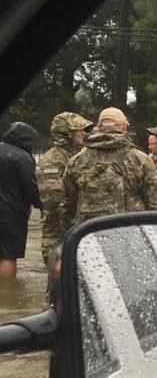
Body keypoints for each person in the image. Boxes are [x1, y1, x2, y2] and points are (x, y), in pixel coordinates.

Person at [62, 107, 157, 226]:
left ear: (99, 128)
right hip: (131, 234)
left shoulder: (77, 161)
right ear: (124, 127)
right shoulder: (141, 159)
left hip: (90, 235)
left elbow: (67, 205)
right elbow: (154, 204)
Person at [35, 112, 93, 268]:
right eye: (79, 130)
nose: (83, 133)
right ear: (65, 133)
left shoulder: (83, 155)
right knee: (60, 285)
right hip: (58, 234)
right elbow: (54, 201)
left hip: (79, 231)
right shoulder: (52, 160)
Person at [0, 123, 42, 280]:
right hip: (10, 214)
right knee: (8, 255)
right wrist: (41, 204)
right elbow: (31, 187)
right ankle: (8, 293)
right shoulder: (23, 158)